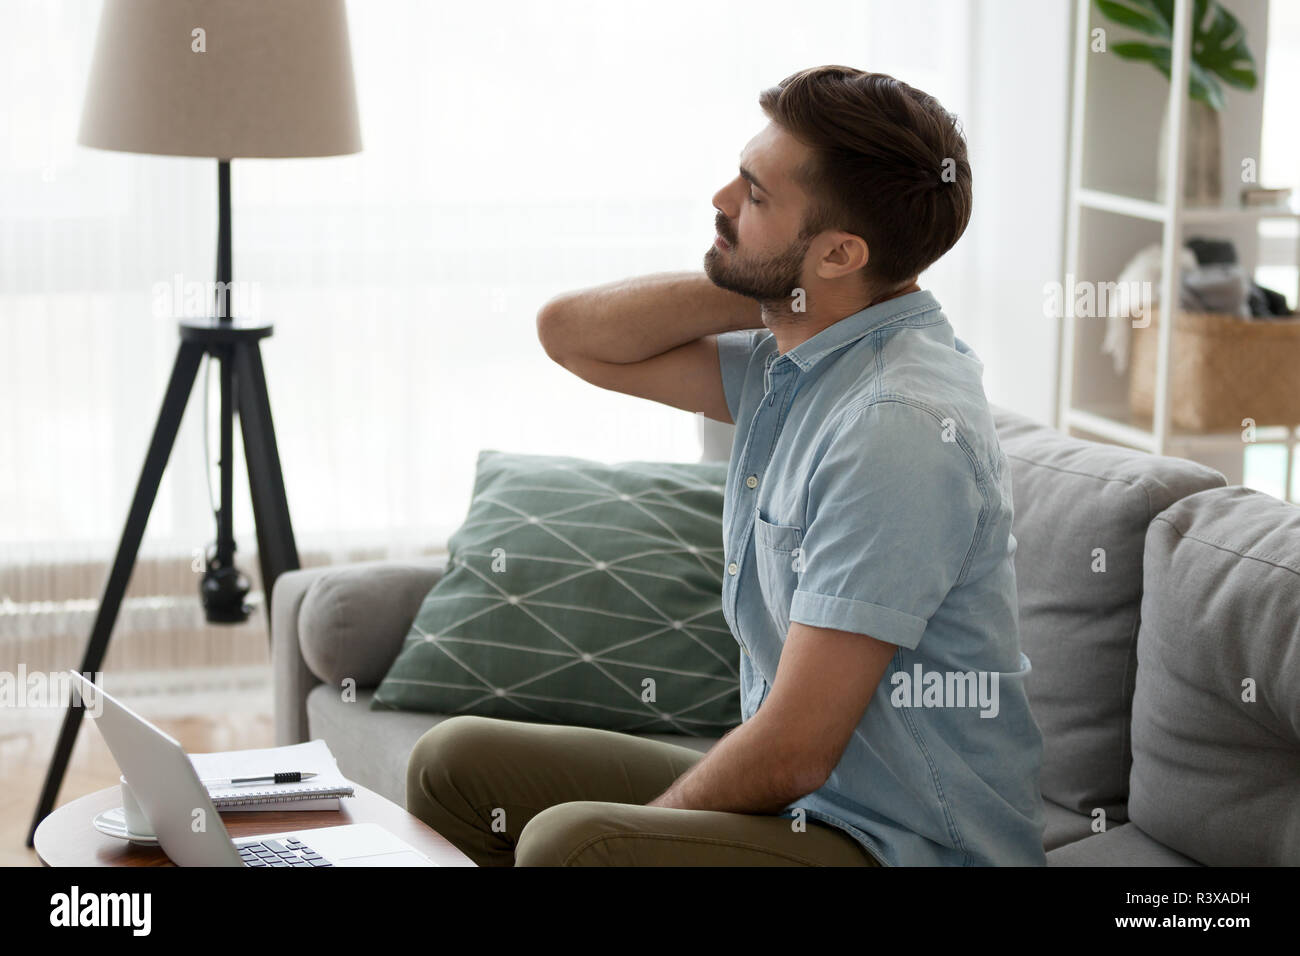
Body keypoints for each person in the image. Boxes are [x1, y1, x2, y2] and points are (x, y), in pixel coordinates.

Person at [407, 64, 1046, 866]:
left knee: (574, 848)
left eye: (754, 195)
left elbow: (795, 749)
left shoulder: (897, 431)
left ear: (843, 252)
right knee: (456, 764)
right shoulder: (812, 353)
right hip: (812, 808)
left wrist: (644, 831)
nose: (720, 199)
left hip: (897, 844)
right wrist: (786, 286)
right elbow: (570, 334)